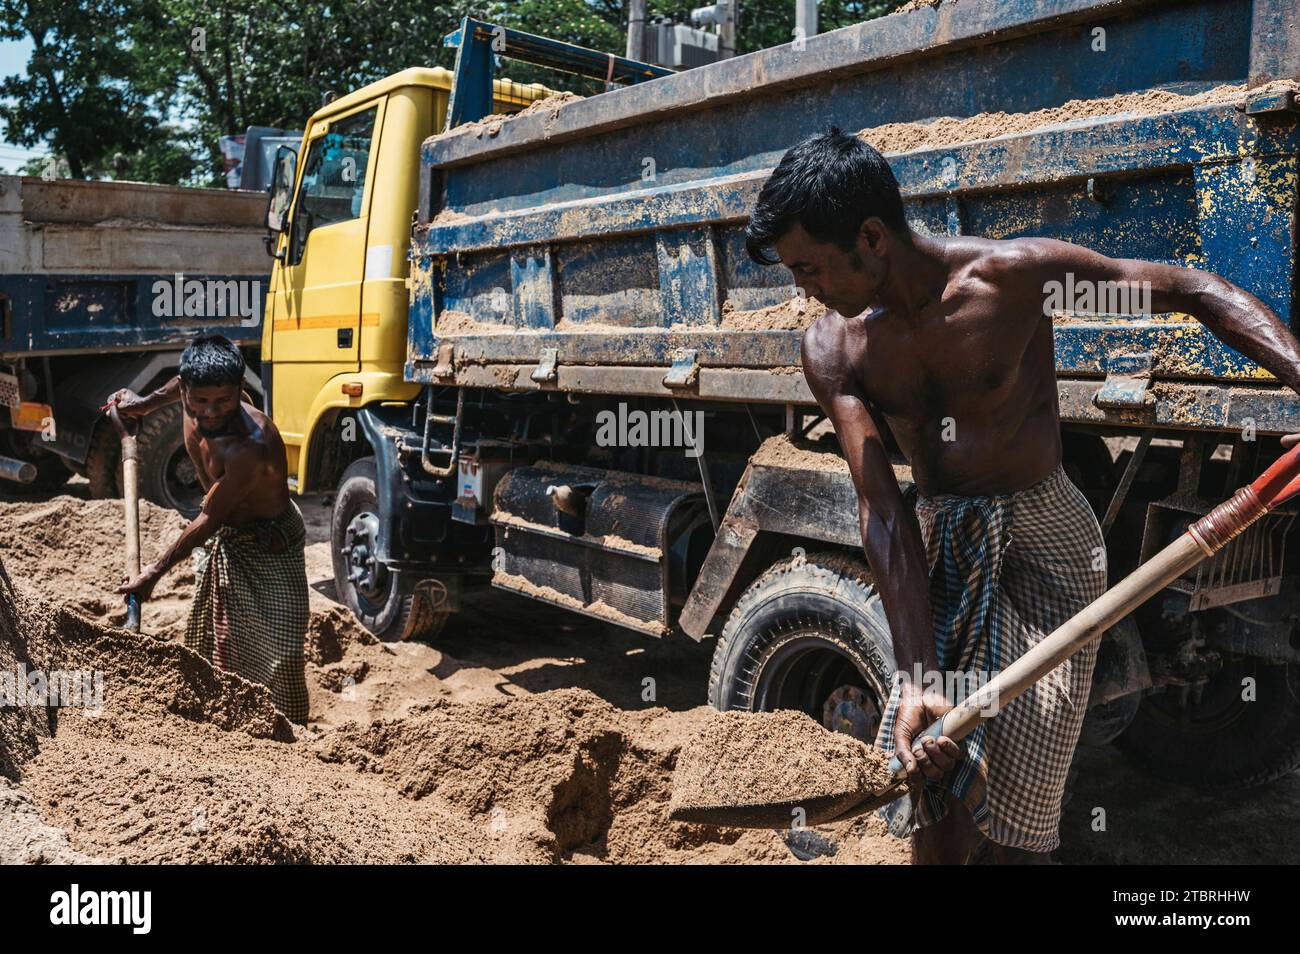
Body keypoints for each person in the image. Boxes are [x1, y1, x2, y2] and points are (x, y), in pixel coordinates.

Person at [745, 127, 1300, 864]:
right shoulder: (834, 348)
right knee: (935, 766)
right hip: (948, 541)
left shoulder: (1017, 278)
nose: (801, 289)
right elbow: (882, 510)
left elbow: (1192, 290)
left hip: (1053, 544)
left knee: (1025, 807)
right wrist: (915, 678)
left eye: (809, 267)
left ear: (871, 237)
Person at [109, 334, 309, 724]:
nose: (211, 412)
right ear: (185, 390)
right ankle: (224, 718)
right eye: (200, 401)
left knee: (282, 652)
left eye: (223, 401)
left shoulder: (251, 444)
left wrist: (153, 573)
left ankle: (290, 730)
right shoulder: (188, 397)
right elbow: (173, 389)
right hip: (228, 535)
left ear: (240, 390)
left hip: (271, 544)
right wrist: (141, 405)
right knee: (217, 638)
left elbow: (207, 520)